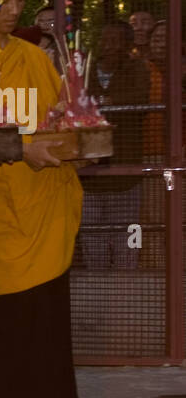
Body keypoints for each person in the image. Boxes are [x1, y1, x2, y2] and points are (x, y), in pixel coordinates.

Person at [0, 0, 88, 398]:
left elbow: (57, 113)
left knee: (47, 305)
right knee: (7, 311)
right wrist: (24, 149)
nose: (12, 8)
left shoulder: (33, 56)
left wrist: (71, 121)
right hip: (2, 203)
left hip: (44, 199)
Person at [83, 20, 148, 271]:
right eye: (104, 40)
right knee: (92, 236)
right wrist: (104, 105)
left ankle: (127, 285)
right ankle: (97, 284)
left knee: (128, 235)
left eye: (115, 40)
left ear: (127, 45)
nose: (108, 46)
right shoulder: (87, 70)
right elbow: (76, 101)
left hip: (126, 173)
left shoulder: (137, 68)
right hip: (91, 174)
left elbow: (139, 100)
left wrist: (102, 104)